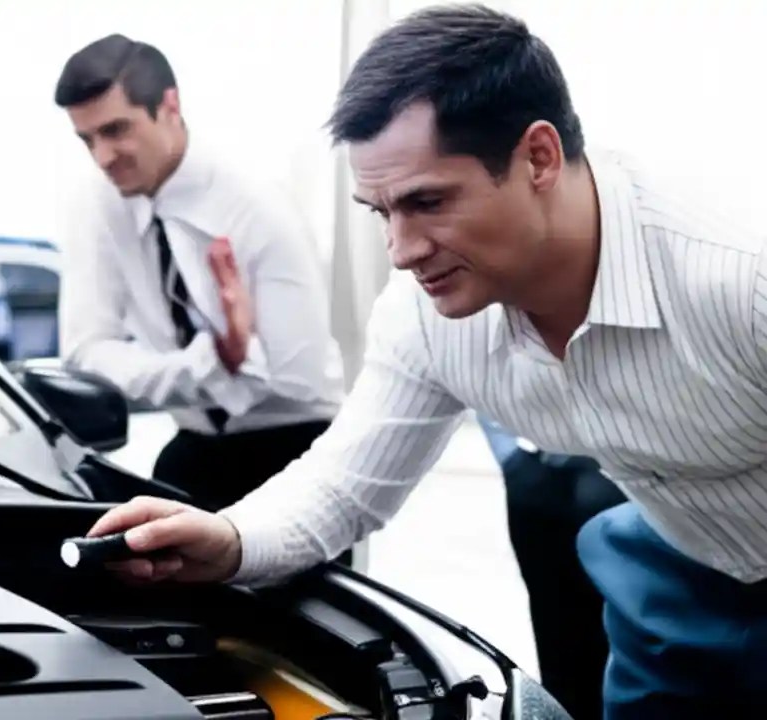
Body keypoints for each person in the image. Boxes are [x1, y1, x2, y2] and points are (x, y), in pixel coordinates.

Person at [82, 6, 767, 719]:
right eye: (382, 212)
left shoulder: (741, 277)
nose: (403, 251)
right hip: (674, 577)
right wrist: (228, 539)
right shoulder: (423, 315)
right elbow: (343, 487)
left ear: (538, 158)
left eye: (428, 202)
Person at [52, 33, 346, 511]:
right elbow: (86, 355)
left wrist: (226, 363)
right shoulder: (98, 205)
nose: (103, 157)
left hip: (297, 445)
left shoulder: (257, 204)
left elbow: (299, 378)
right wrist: (213, 362)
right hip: (196, 446)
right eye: (87, 139)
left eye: (116, 130)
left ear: (170, 106)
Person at [478, 417, 626, 719]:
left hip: (625, 482)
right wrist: (510, 458)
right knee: (557, 645)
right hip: (540, 476)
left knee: (632, 652)